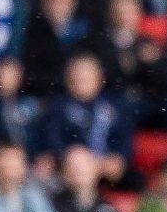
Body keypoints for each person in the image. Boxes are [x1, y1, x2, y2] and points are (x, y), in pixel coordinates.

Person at [36, 54, 135, 187]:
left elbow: (123, 139)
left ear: (100, 79)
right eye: (78, 79)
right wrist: (83, 161)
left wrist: (118, 158)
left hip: (108, 172)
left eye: (87, 79)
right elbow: (54, 141)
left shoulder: (114, 106)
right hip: (71, 170)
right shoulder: (57, 107)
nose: (82, 83)